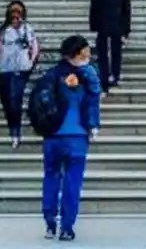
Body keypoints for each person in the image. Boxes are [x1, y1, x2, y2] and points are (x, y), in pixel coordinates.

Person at [39, 35, 102, 242]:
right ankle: (67, 226)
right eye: (85, 50)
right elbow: (94, 98)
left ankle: (49, 223)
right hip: (77, 135)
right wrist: (93, 126)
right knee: (73, 181)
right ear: (79, 53)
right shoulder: (87, 75)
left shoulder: (51, 74)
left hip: (52, 134)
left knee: (50, 177)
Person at [0, 0, 39, 149]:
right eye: (13, 13)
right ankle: (12, 128)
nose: (15, 16)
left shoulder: (27, 29)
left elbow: (35, 47)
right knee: (6, 100)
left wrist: (31, 63)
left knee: (15, 99)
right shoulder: (1, 31)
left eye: (18, 13)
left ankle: (15, 132)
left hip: (21, 69)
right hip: (3, 69)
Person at [88, 0, 131, 95]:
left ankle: (114, 76)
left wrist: (126, 30)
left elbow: (126, 10)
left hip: (116, 26)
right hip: (104, 25)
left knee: (115, 52)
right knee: (103, 53)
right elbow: (94, 6)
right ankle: (105, 78)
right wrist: (94, 24)